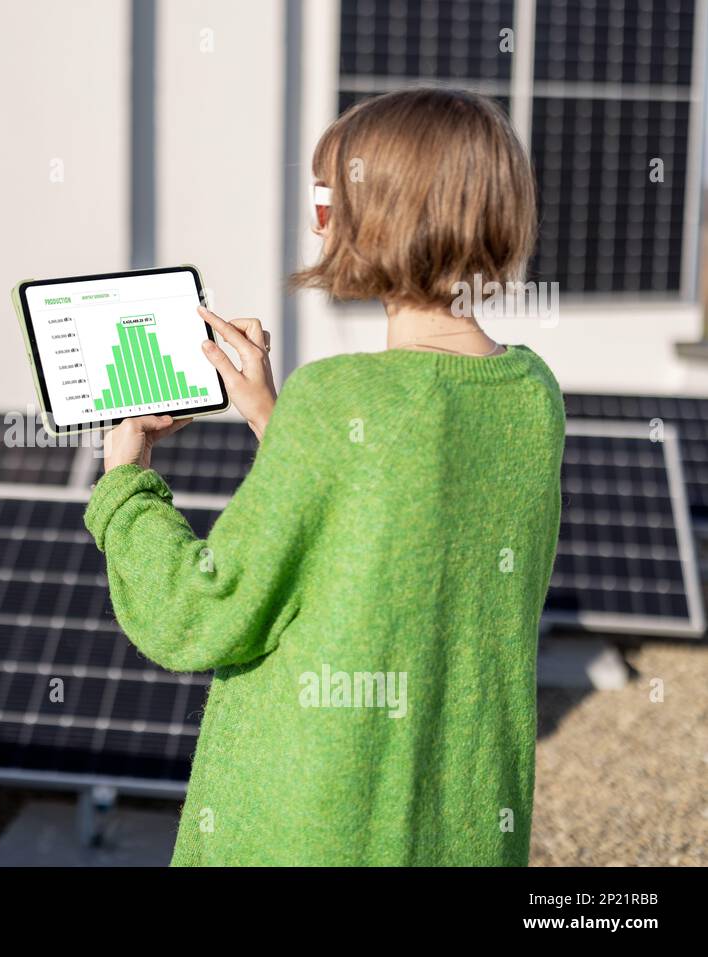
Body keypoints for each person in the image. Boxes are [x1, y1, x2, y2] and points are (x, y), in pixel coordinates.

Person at [87, 88, 565, 866]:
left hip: (314, 827)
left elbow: (196, 612)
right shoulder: (531, 395)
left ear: (376, 217)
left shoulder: (338, 396)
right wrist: (276, 421)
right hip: (461, 826)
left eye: (325, 197)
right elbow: (398, 515)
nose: (318, 222)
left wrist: (125, 479)